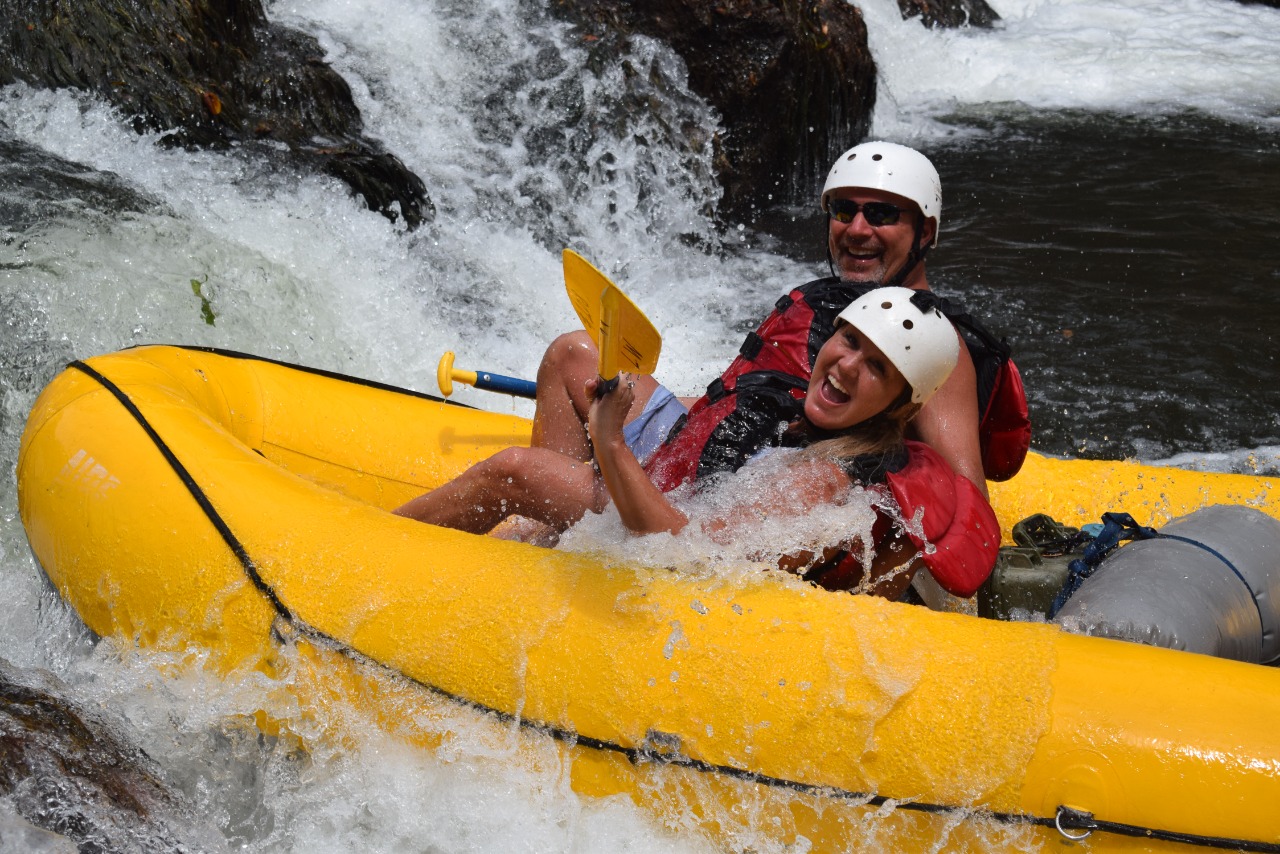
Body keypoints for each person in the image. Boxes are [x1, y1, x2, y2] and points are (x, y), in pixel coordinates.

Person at [396, 288, 1000, 600]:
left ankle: (378, 547)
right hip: (692, 481)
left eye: (877, 367)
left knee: (513, 471)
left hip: (667, 536)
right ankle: (537, 543)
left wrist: (611, 442)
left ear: (901, 405)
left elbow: (680, 548)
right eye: (847, 341)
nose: (845, 365)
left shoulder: (823, 480)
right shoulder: (829, 418)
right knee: (575, 354)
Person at [527, 141, 1028, 506]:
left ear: (926, 231)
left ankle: (546, 511)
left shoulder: (926, 346)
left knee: (521, 474)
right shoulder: (836, 302)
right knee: (574, 352)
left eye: (880, 213)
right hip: (704, 444)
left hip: (727, 494)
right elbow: (763, 394)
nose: (856, 230)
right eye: (843, 210)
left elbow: (965, 503)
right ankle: (554, 524)